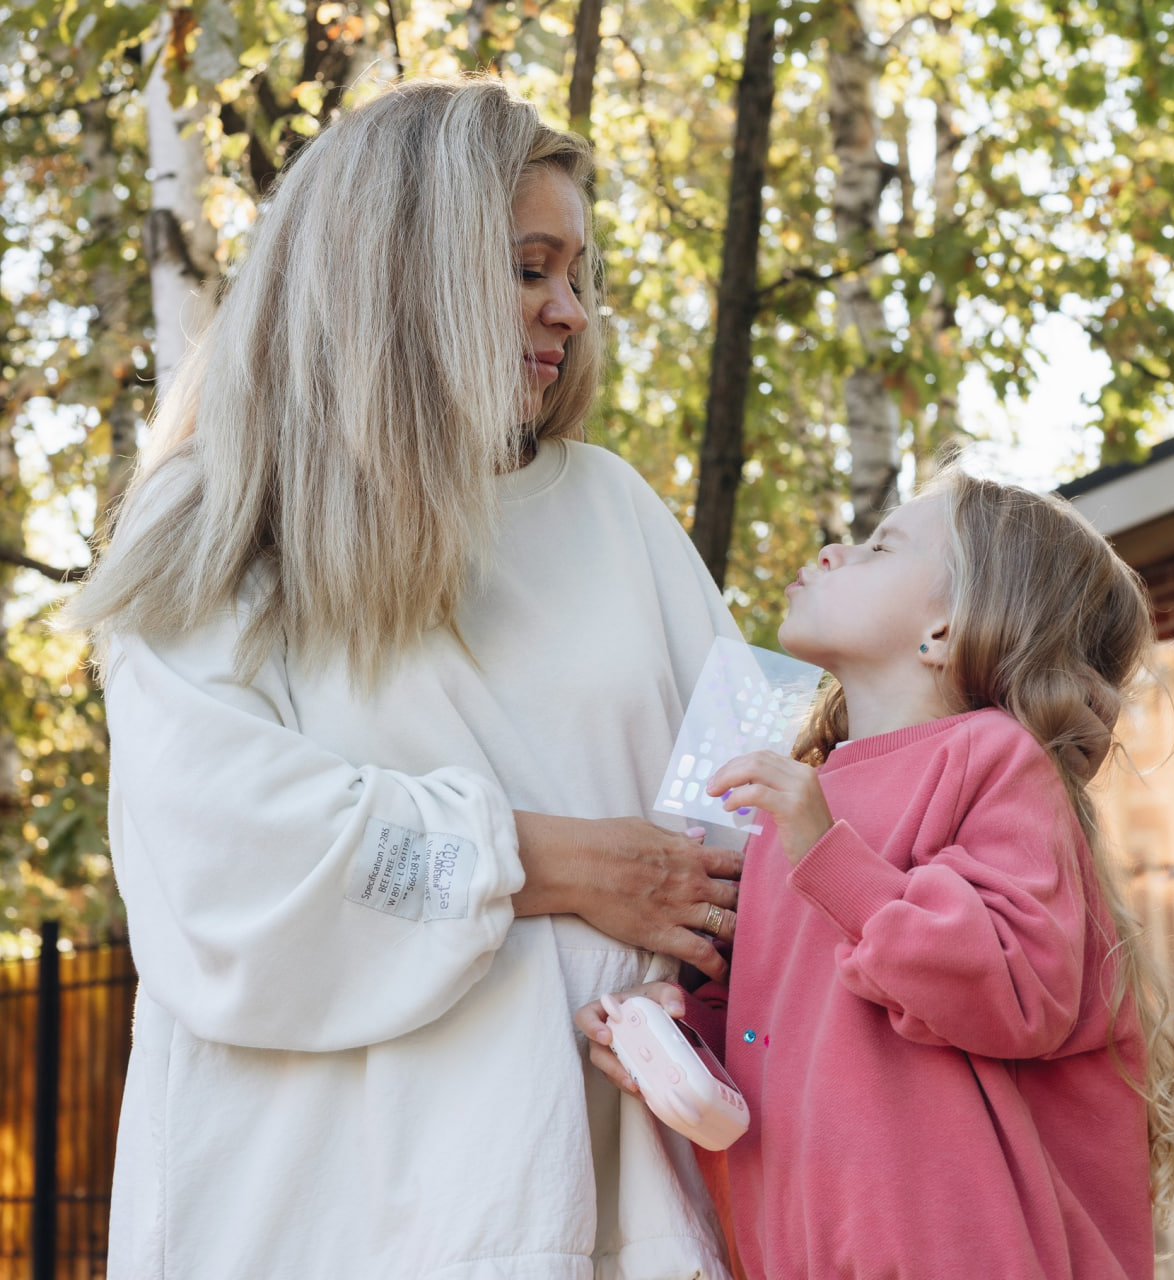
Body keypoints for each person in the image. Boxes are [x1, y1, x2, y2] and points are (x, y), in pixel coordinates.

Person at [65, 77, 746, 1280]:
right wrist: (562, 862)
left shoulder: (613, 513)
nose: (571, 310)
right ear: (402, 269)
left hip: (612, 1195)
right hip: (323, 1206)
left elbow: (744, 819)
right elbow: (223, 862)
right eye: (530, 268)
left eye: (577, 274)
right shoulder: (222, 523)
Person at [577, 467, 1174, 1280]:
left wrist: (824, 849)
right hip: (799, 1244)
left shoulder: (990, 758)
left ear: (942, 629)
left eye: (878, 547)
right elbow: (775, 1018)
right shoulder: (792, 803)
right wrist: (676, 1024)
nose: (833, 550)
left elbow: (1019, 989)